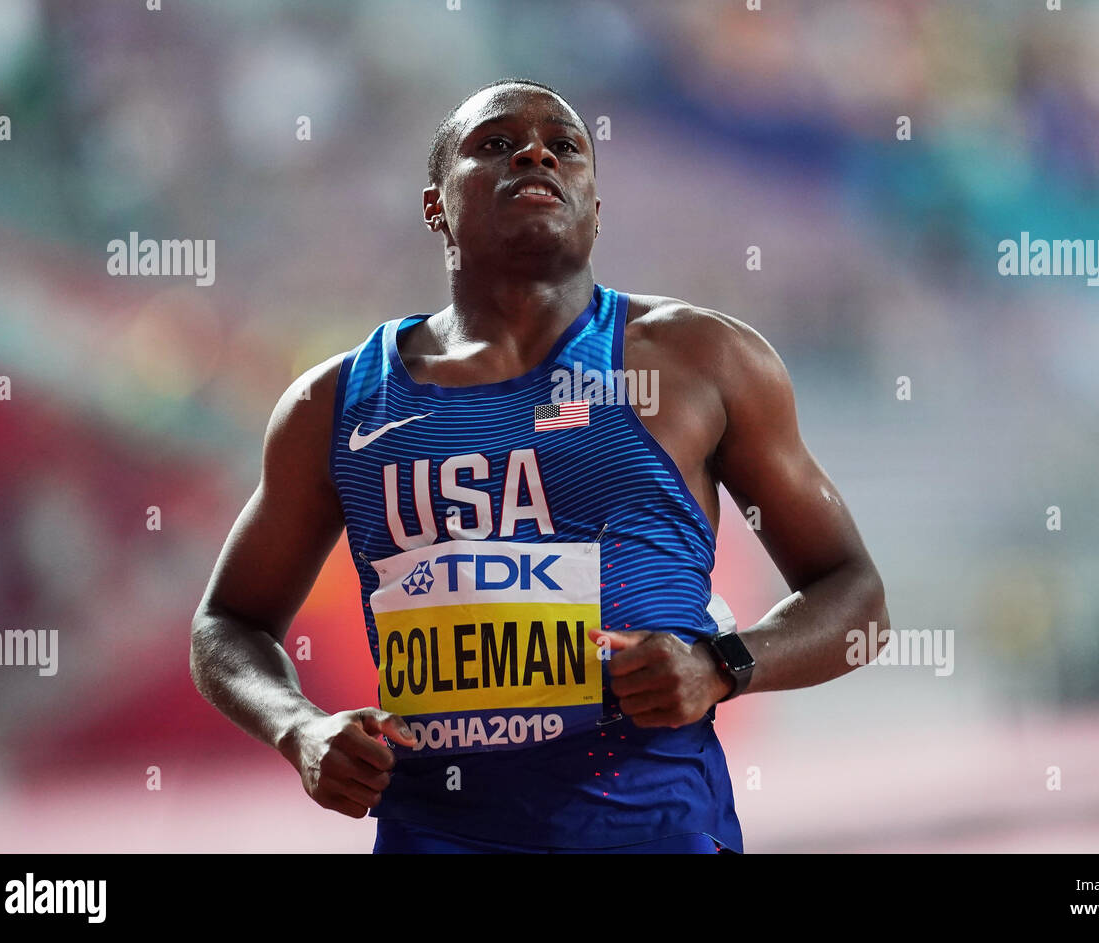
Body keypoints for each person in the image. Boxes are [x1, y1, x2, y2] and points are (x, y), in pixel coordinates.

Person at [190, 78, 889, 854]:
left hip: (657, 834)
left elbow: (856, 597)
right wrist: (300, 729)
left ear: (596, 205)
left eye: (566, 148)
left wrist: (724, 663)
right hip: (436, 838)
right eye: (494, 145)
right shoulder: (336, 402)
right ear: (435, 206)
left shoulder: (704, 361)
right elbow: (227, 624)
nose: (535, 153)